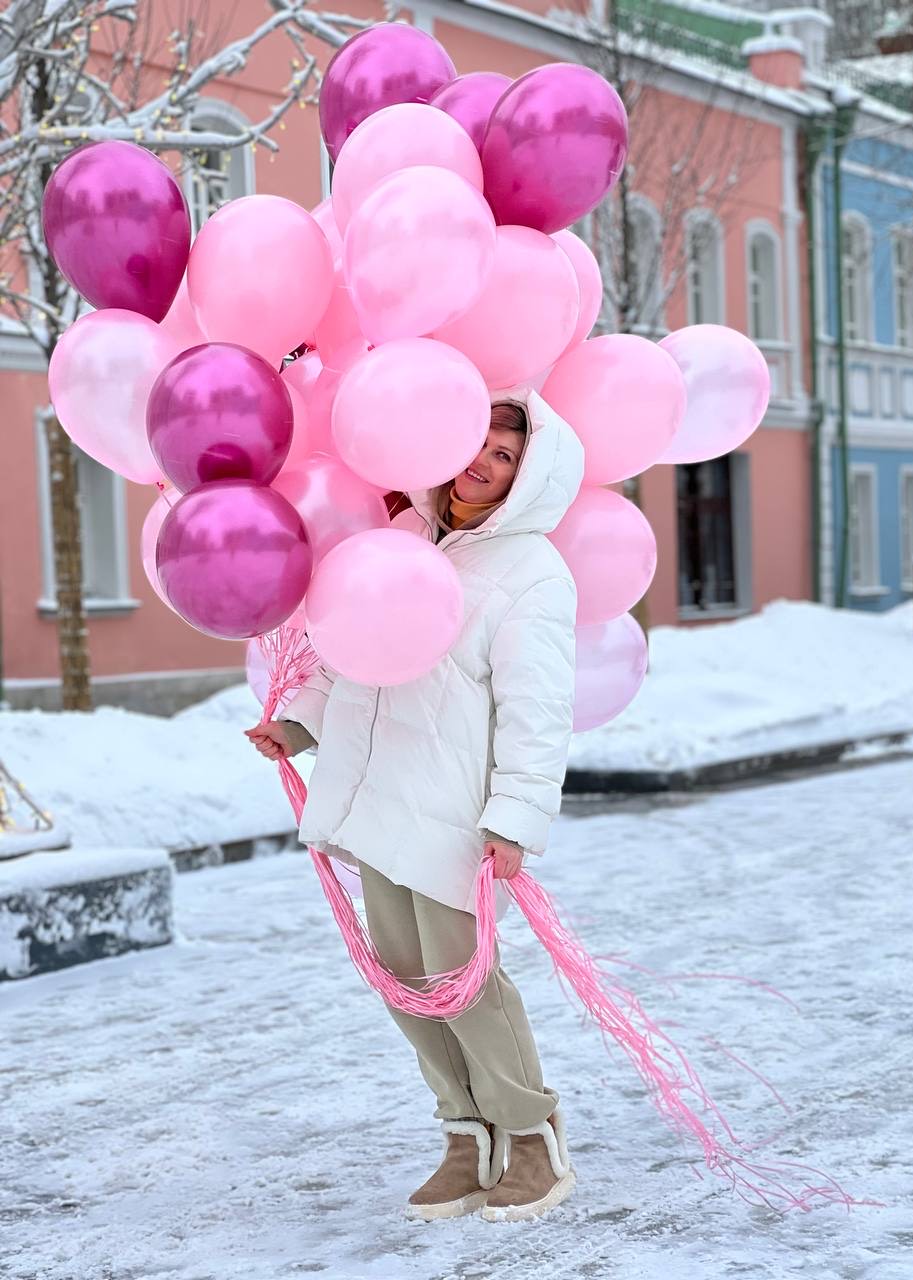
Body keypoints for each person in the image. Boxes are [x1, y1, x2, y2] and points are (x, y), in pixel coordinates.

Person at [245, 390, 585, 1222]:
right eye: (481, 444)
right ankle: (466, 1136)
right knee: (401, 980)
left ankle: (533, 1139)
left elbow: (538, 708)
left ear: (526, 475)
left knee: (461, 980)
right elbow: (345, 653)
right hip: (376, 791)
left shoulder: (533, 571)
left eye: (506, 456)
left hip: (453, 808)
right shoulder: (401, 536)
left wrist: (515, 817)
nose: (484, 463)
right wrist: (296, 724)